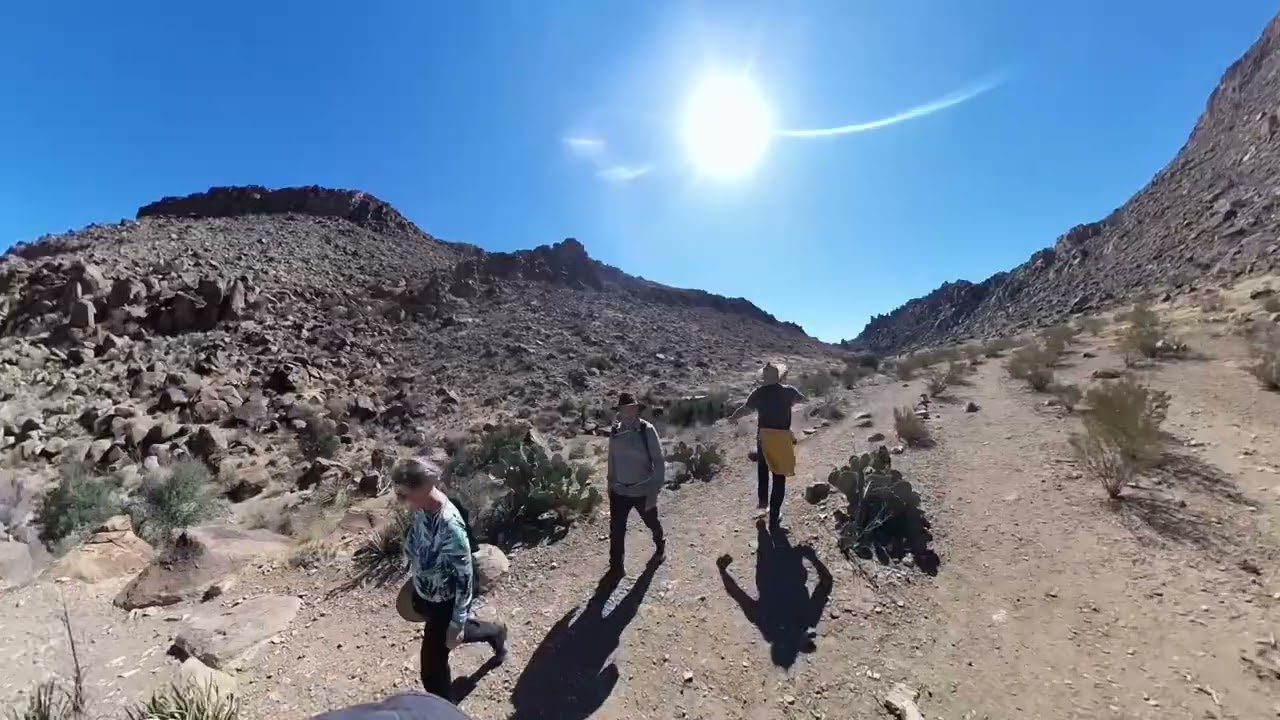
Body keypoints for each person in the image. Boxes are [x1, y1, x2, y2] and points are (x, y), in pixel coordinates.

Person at [393, 458, 508, 702]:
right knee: (454, 635)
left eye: (407, 494)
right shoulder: (421, 507)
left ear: (425, 486)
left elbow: (465, 577)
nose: (404, 501)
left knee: (432, 671)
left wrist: (456, 621)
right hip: (425, 595)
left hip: (444, 602)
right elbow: (415, 537)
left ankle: (445, 710)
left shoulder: (449, 525)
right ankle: (495, 632)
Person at [728, 362, 807, 528]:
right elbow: (802, 399)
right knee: (779, 476)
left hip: (763, 437)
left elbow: (745, 409)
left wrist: (733, 418)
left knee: (763, 471)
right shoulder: (788, 391)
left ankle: (762, 506)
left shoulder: (758, 393)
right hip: (781, 438)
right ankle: (775, 514)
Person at [606, 392, 666, 576]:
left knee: (651, 522)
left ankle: (660, 544)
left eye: (632, 408)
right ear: (620, 412)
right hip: (619, 491)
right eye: (624, 409)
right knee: (616, 530)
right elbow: (612, 459)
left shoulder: (645, 430)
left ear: (637, 410)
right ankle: (616, 567)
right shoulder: (615, 431)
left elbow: (659, 461)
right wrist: (610, 483)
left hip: (643, 489)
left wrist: (654, 491)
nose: (628, 412)